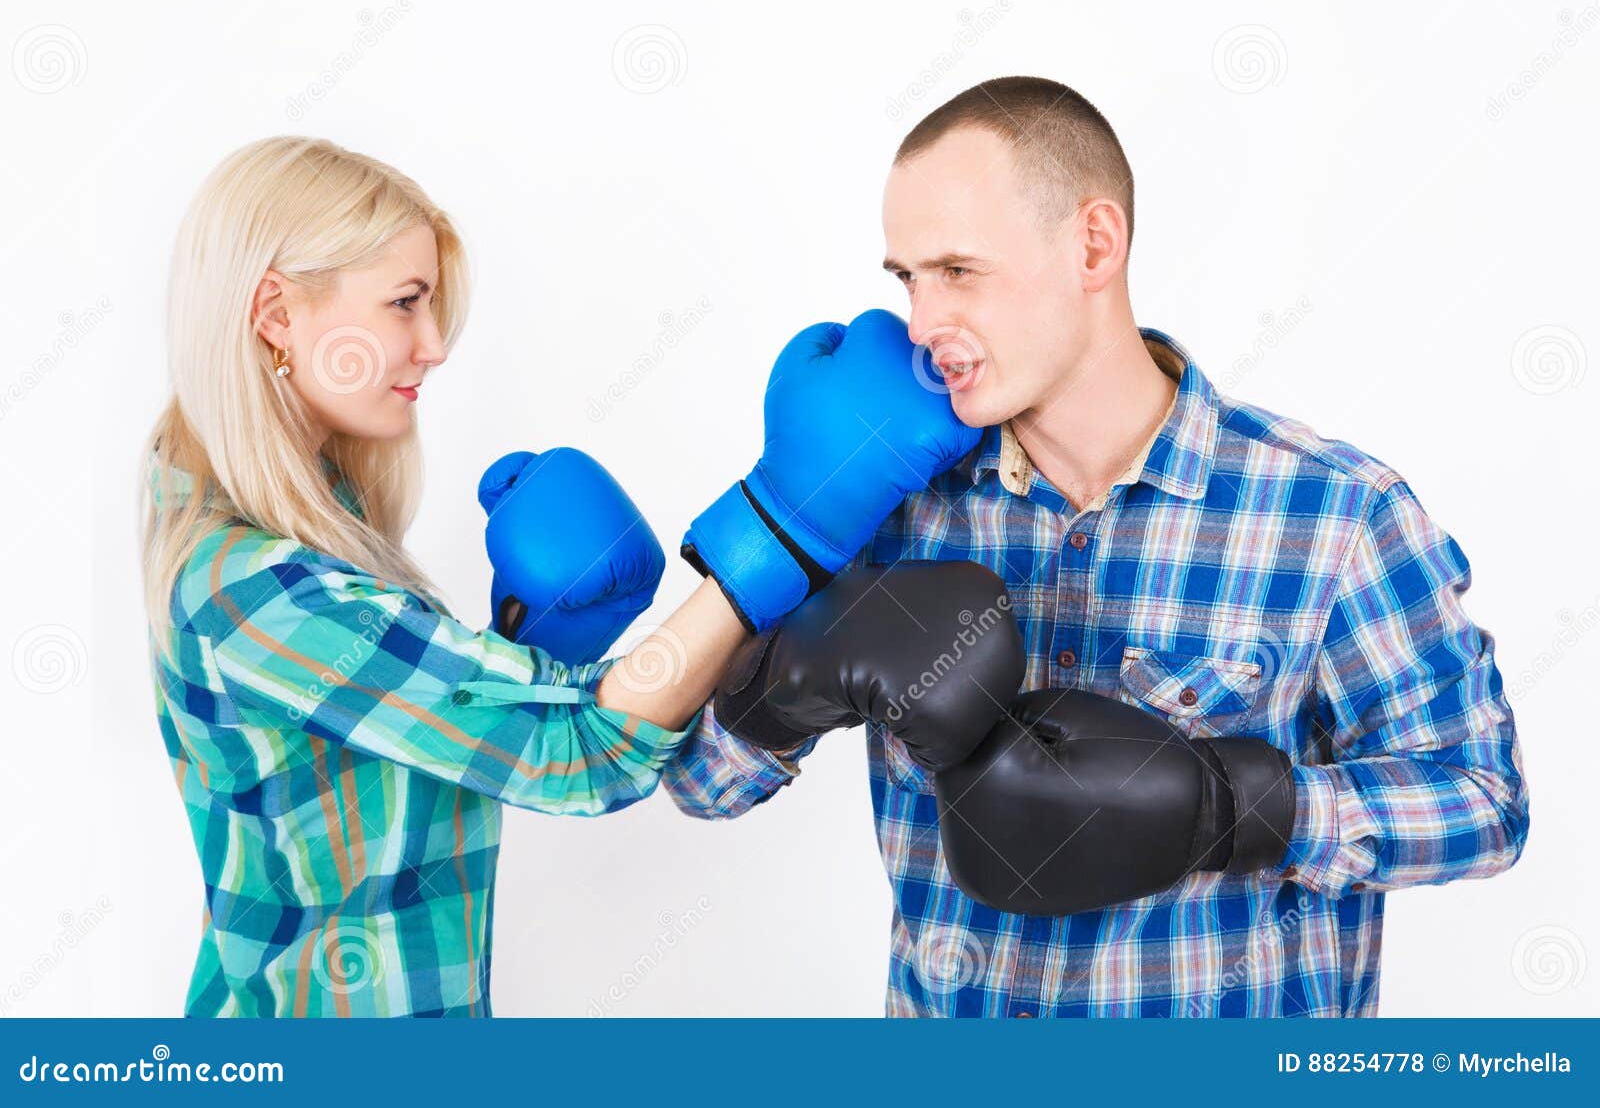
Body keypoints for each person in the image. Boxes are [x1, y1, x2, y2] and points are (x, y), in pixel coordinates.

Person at [663, 76, 1531, 1017]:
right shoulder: (894, 509)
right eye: (907, 278)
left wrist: (1232, 808)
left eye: (957, 270)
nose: (920, 326)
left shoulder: (1334, 512)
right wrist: (782, 685)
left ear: (1094, 244)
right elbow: (703, 785)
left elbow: (1485, 800)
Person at [141, 137, 977, 1016]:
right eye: (405, 303)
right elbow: (582, 756)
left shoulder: (270, 518)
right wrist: (785, 524)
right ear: (276, 313)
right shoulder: (255, 588)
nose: (433, 344)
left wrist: (526, 645)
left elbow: (400, 752)